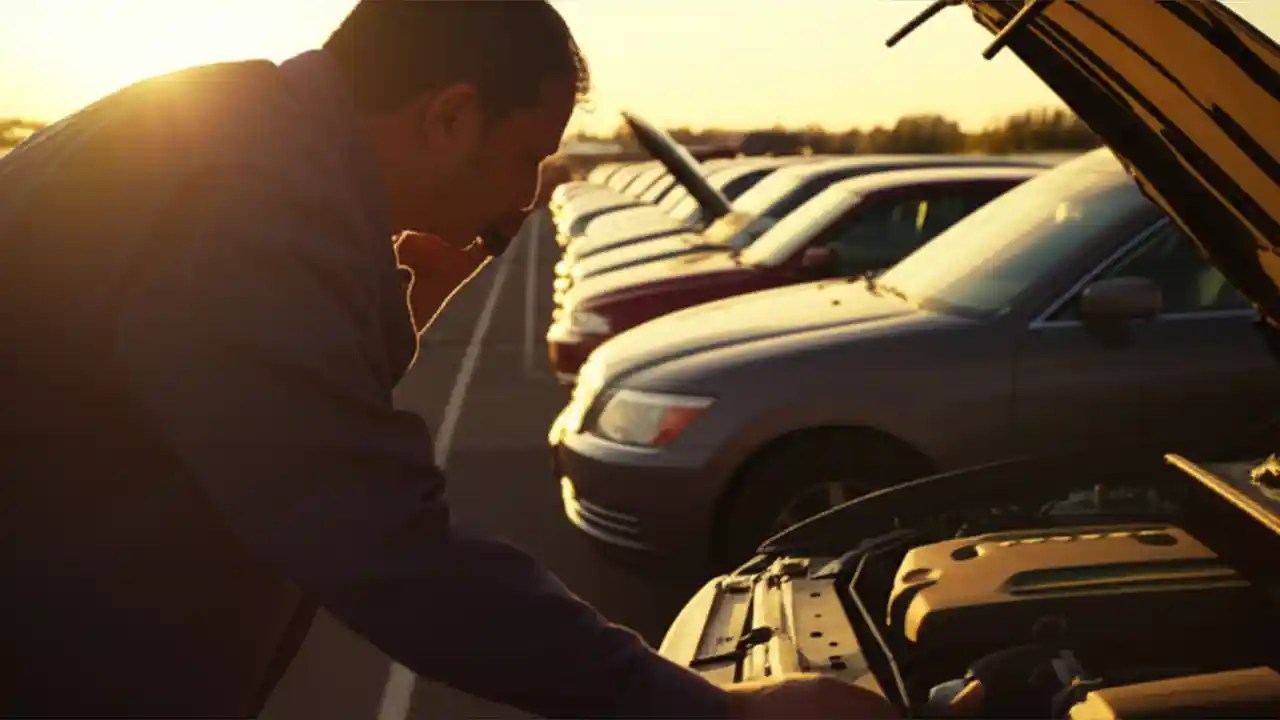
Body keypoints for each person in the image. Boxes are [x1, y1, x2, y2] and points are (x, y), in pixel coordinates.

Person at [0, 1, 897, 718]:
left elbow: (242, 422)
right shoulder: (250, 199)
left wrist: (396, 315)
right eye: (524, 159)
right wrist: (710, 714)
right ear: (450, 115)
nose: (523, 200)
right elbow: (373, 540)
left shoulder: (242, 131)